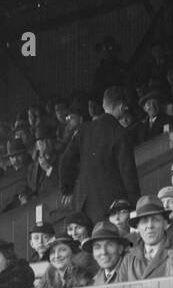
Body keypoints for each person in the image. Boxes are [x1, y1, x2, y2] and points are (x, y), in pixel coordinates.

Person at [59, 85, 142, 223]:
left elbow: (65, 161)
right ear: (122, 107)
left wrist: (67, 189)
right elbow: (128, 173)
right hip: (111, 206)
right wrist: (135, 205)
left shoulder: (83, 130)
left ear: (104, 105)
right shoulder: (121, 134)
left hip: (83, 204)